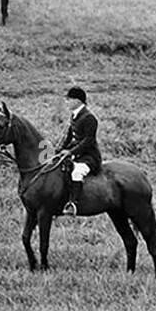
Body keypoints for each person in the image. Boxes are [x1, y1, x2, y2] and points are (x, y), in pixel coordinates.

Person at [56, 86, 101, 215]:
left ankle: (73, 204)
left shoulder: (89, 118)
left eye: (69, 99)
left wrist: (70, 152)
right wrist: (60, 149)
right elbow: (69, 136)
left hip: (89, 157)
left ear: (78, 101)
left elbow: (88, 141)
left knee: (77, 172)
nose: (67, 102)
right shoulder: (74, 115)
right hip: (77, 153)